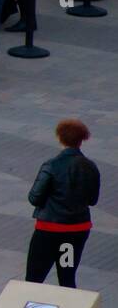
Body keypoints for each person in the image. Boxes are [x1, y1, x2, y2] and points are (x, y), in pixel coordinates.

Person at [25, 119, 100, 289]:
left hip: (49, 231)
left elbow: (34, 198)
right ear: (81, 140)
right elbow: (93, 200)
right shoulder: (90, 167)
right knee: (67, 276)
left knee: (34, 278)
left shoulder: (51, 165)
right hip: (77, 231)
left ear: (60, 138)